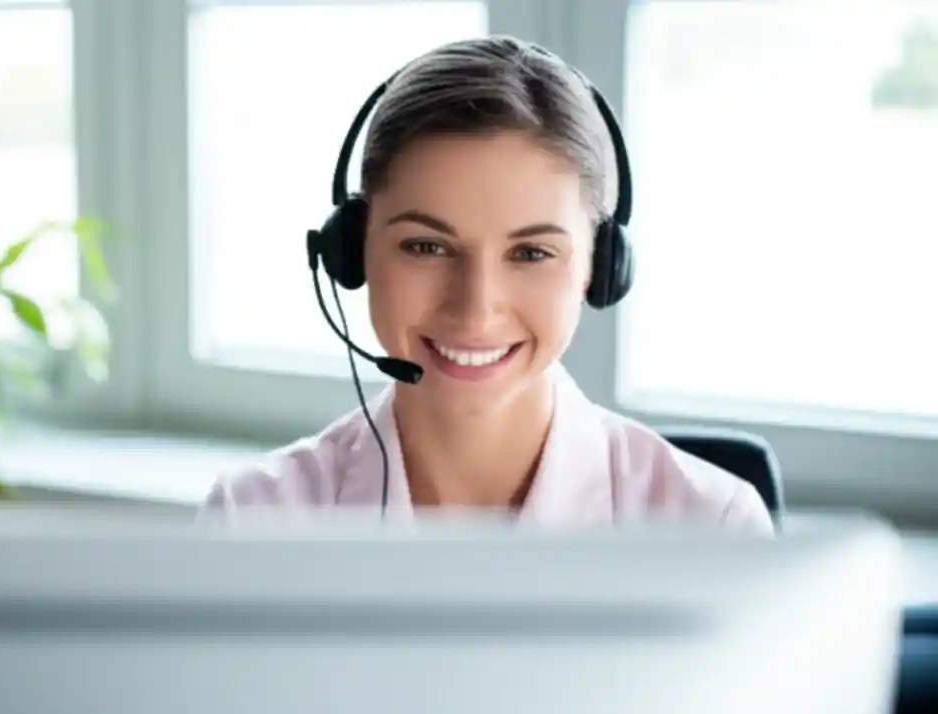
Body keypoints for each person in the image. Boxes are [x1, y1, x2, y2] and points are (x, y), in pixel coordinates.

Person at [201, 36, 772, 534]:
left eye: (531, 253)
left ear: (599, 269)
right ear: (353, 250)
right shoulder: (251, 521)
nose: (475, 311)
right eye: (427, 247)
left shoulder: (713, 527)